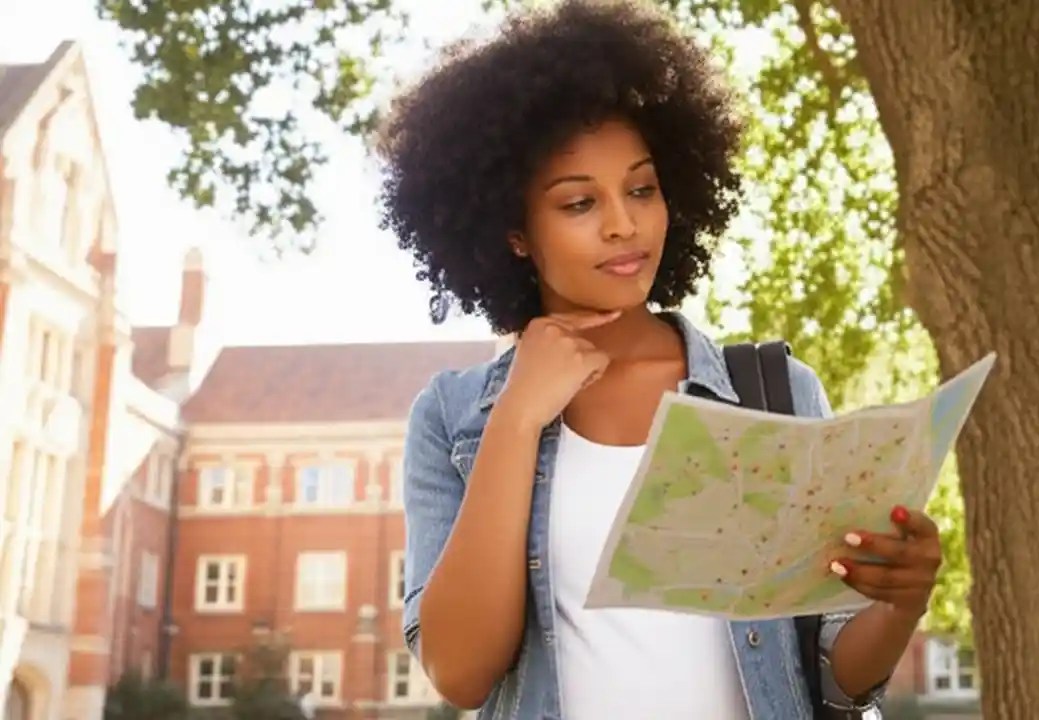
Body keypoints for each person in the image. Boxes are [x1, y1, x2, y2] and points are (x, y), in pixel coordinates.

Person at [380, 1, 943, 718]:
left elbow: (836, 679)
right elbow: (460, 672)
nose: (625, 223)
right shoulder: (454, 418)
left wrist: (899, 604)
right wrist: (517, 418)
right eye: (580, 203)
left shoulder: (771, 392)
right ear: (516, 231)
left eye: (642, 189)